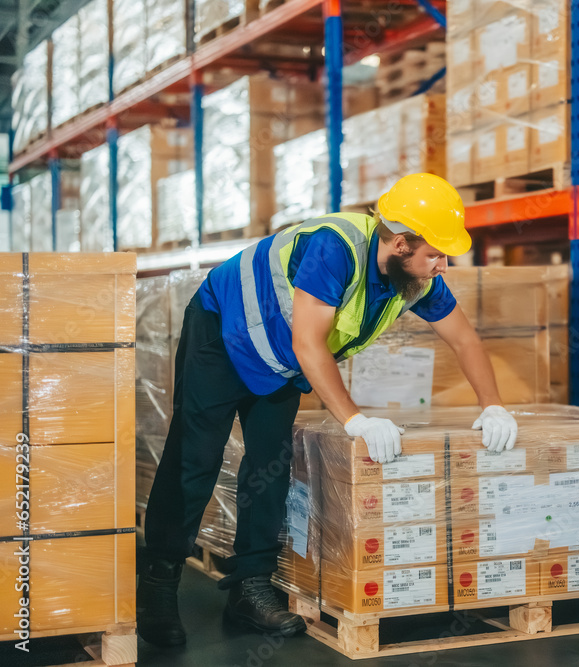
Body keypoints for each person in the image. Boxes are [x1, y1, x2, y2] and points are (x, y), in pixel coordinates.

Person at [138, 173, 519, 646]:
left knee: (271, 464)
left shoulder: (415, 279)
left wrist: (494, 406)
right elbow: (308, 342)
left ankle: (249, 588)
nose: (442, 264)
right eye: (436, 253)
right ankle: (158, 583)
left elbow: (463, 338)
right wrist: (356, 419)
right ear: (400, 243)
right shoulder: (333, 248)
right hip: (224, 329)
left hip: (278, 358)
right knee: (195, 459)